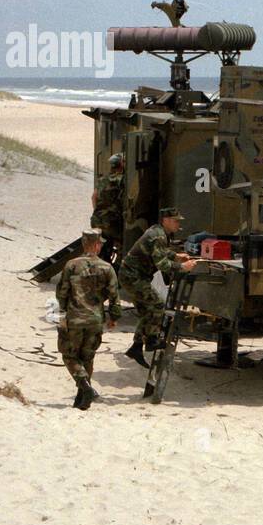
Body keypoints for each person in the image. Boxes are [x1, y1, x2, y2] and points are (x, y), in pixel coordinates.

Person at [118, 207, 195, 367]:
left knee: (148, 311)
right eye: (175, 221)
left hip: (131, 275)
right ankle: (151, 341)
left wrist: (175, 255)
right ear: (165, 221)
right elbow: (163, 265)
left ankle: (137, 347)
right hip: (133, 276)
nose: (178, 225)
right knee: (158, 305)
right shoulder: (159, 235)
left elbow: (159, 252)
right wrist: (183, 267)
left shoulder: (158, 231)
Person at [56, 229, 121, 411]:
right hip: (95, 319)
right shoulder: (107, 268)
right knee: (87, 357)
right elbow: (115, 296)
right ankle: (83, 398)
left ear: (84, 244)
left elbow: (62, 293)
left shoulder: (71, 265)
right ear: (98, 245)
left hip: (74, 318)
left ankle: (84, 387)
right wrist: (114, 317)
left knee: (69, 355)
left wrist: (62, 313)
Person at [90, 153, 125, 265]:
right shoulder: (122, 179)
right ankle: (115, 270)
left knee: (103, 245)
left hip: (96, 220)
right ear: (121, 164)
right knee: (123, 245)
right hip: (112, 222)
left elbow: (93, 197)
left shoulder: (102, 180)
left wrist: (98, 212)